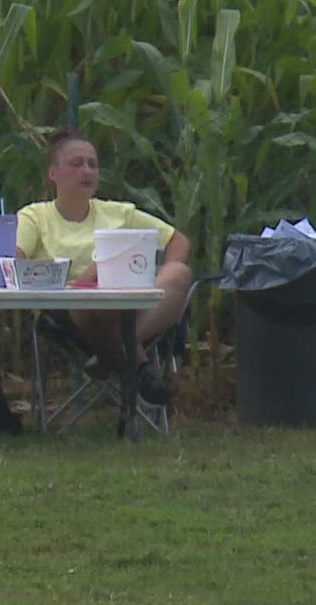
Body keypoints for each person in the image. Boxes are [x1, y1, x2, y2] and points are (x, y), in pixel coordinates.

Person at [16, 128, 192, 407]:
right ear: (53, 173)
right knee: (89, 298)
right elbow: (16, 263)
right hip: (70, 311)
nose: (86, 171)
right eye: (76, 164)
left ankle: (114, 354)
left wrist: (156, 273)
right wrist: (88, 274)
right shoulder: (34, 216)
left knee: (179, 273)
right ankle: (136, 363)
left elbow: (178, 241)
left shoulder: (119, 213)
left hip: (129, 303)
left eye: (93, 164)